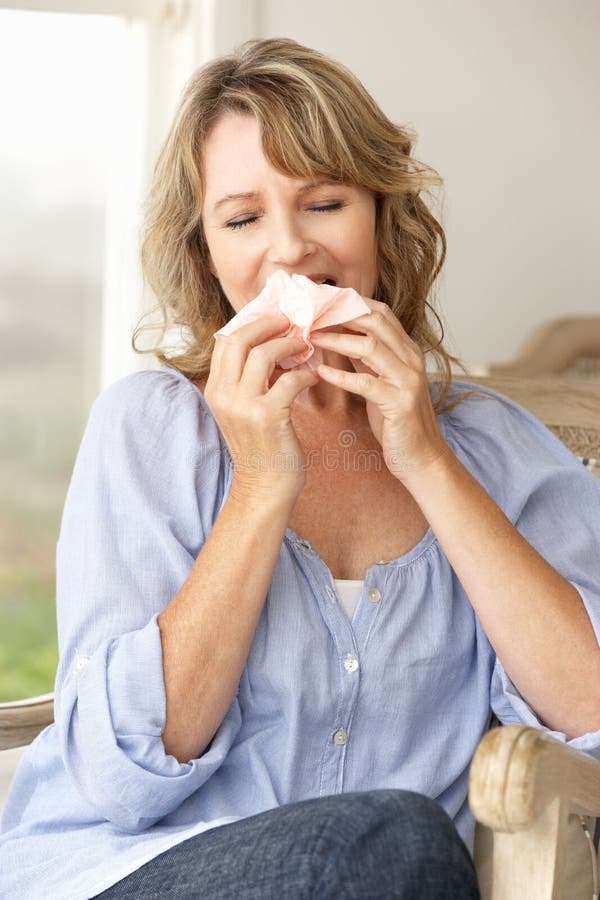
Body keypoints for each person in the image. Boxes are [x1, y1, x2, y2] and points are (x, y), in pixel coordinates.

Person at [1, 37, 600, 900]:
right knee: (395, 839)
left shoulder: (494, 449)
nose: (288, 250)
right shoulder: (149, 431)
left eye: (323, 203)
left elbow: (590, 718)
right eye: (242, 219)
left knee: (394, 845)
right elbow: (117, 778)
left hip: (393, 876)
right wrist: (258, 486)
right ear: (207, 252)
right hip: (130, 873)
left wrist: (428, 459)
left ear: (380, 218)